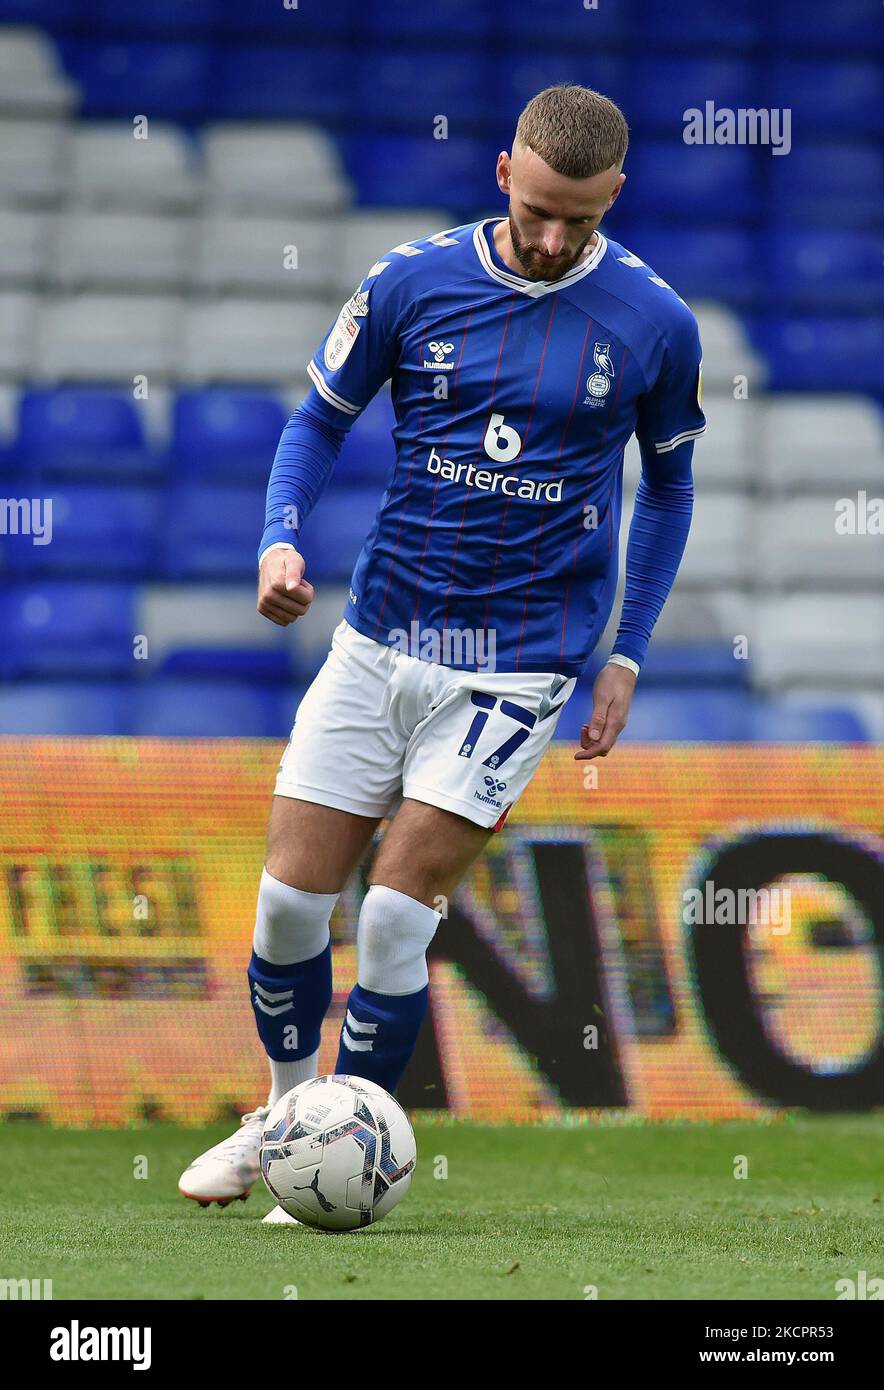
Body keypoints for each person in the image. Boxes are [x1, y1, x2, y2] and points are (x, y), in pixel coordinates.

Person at [178, 84, 705, 1212]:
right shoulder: (409, 280)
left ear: (615, 195)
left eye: (584, 218)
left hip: (517, 662)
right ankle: (284, 1120)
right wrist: (277, 541)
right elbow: (316, 419)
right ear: (504, 171)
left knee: (390, 912)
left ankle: (324, 1168)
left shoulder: (653, 321)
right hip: (380, 636)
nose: (557, 237)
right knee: (284, 906)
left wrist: (626, 654)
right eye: (541, 210)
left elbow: (667, 488)